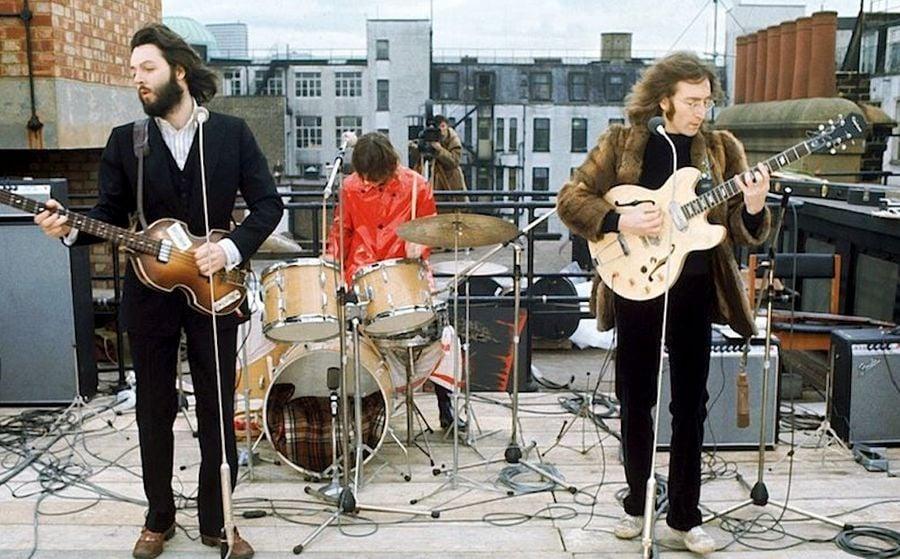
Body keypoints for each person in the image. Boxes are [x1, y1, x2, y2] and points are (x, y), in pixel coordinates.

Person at [34, 23, 283, 559]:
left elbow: (268, 207)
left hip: (213, 289)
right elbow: (106, 215)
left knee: (217, 409)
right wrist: (70, 228)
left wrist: (232, 248)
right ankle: (158, 518)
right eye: (132, 73)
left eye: (146, 69)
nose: (138, 81)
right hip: (147, 296)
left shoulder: (231, 134)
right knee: (153, 409)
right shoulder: (128, 140)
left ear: (179, 71)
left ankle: (219, 521)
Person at [556, 52, 771, 555]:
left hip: (696, 288)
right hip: (636, 285)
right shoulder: (623, 142)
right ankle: (637, 503)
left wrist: (755, 206)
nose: (701, 111)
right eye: (692, 101)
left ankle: (684, 517)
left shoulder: (720, 149)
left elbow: (739, 227)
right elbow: (571, 199)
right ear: (664, 100)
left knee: (690, 404)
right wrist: (619, 222)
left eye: (707, 102)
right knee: (635, 399)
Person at [327, 132, 464, 431]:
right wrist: (332, 268)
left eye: (375, 177)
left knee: (439, 331)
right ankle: (367, 404)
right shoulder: (350, 187)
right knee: (356, 340)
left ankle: (446, 404)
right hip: (362, 270)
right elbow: (341, 233)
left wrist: (422, 244)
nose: (369, 183)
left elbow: (429, 228)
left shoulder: (417, 185)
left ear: (389, 166)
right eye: (365, 178)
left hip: (406, 270)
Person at [409, 115, 467, 195]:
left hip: (451, 181)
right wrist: (418, 147)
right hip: (435, 180)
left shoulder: (453, 139)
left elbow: (454, 162)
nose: (441, 130)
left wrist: (439, 150)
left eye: (443, 126)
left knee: (455, 205)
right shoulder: (430, 138)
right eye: (439, 127)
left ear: (447, 126)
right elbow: (418, 159)